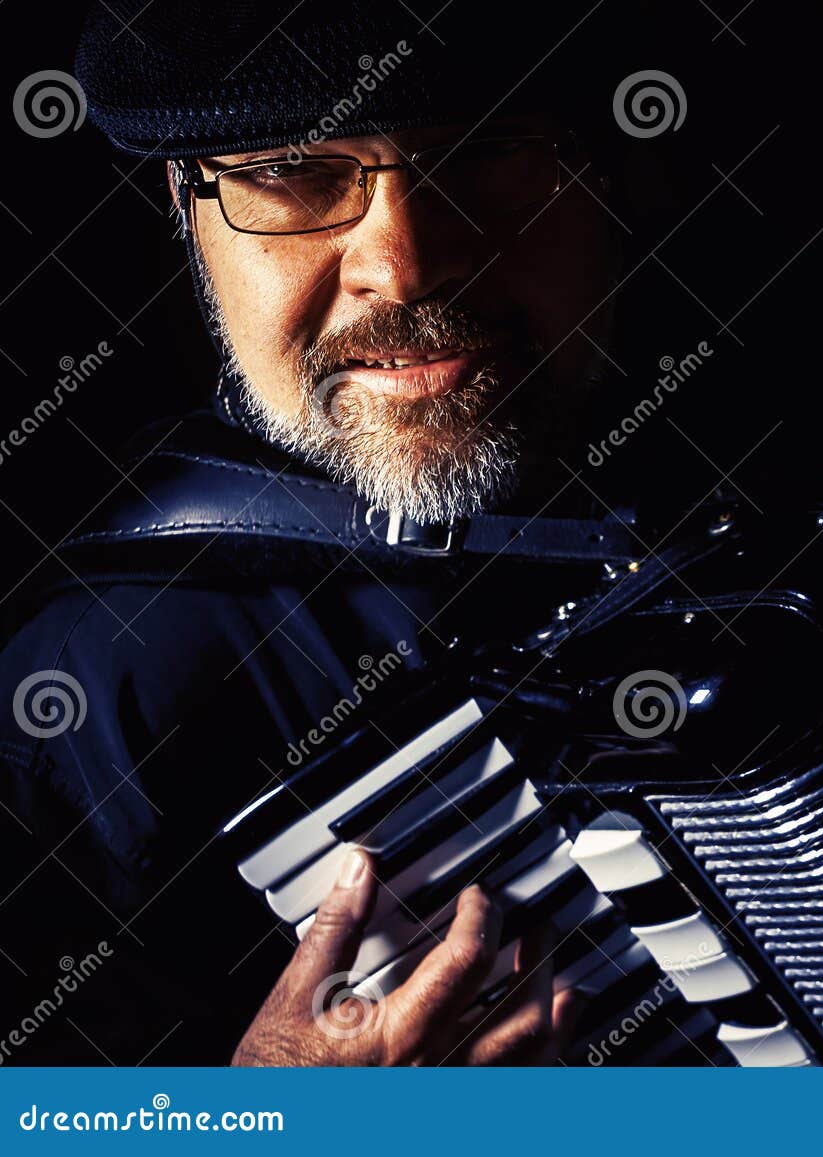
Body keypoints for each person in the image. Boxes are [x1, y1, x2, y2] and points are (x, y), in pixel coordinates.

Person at [0, 0, 659, 1065]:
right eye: (294, 170)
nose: (402, 266)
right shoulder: (89, 696)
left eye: (488, 149)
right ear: (184, 198)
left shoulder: (809, 452)